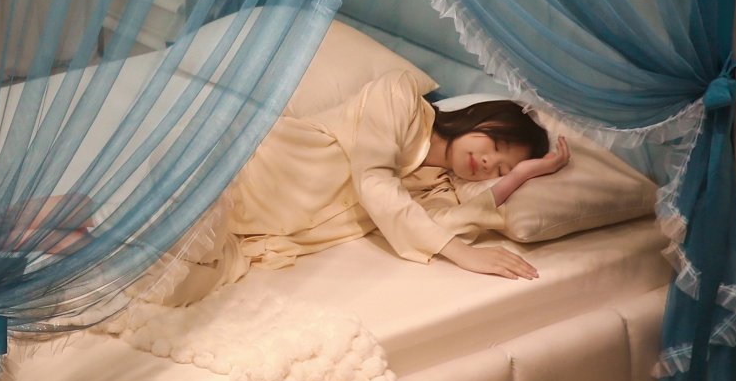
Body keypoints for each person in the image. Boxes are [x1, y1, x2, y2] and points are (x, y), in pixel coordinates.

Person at [168, 69, 569, 304]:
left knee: (175, 291)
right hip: (252, 169)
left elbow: (446, 224)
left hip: (260, 231)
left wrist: (519, 176)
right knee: (171, 233)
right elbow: (374, 181)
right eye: (495, 146)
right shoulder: (399, 96)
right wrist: (463, 255)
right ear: (480, 118)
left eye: (499, 167)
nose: (487, 163)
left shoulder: (438, 189)